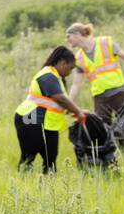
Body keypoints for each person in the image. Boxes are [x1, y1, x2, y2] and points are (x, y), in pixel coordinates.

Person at [15, 46, 86, 174]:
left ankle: (48, 190)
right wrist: (78, 112)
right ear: (63, 63)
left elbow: (57, 104)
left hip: (47, 123)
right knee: (28, 157)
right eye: (70, 68)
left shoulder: (56, 77)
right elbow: (60, 99)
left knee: (51, 160)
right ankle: (21, 187)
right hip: (31, 118)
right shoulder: (48, 75)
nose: (70, 72)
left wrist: (78, 110)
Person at [64, 22, 124, 123]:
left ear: (77, 34)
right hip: (100, 97)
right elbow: (76, 84)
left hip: (118, 92)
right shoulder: (78, 58)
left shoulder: (105, 43)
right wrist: (69, 102)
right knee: (102, 130)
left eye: (68, 36)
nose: (67, 40)